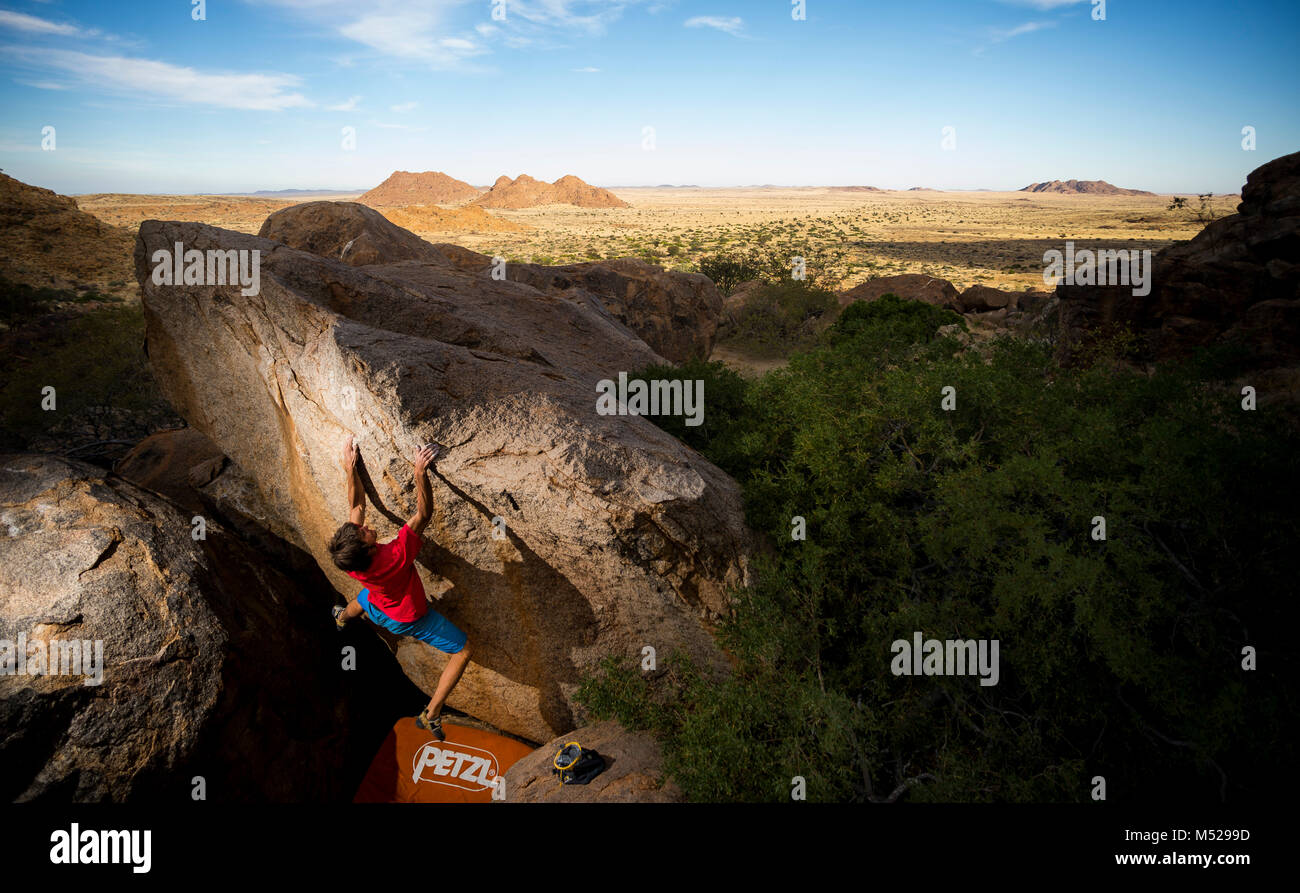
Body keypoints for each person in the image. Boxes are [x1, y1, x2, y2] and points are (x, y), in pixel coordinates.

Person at [327, 435, 471, 741]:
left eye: (361, 529)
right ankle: (431, 712)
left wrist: (350, 467)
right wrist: (419, 473)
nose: (366, 528)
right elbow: (423, 515)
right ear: (368, 551)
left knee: (364, 600)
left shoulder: (349, 559)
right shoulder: (394, 556)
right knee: (464, 650)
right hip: (409, 617)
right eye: (365, 534)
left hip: (377, 606)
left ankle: (342, 617)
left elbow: (356, 505)